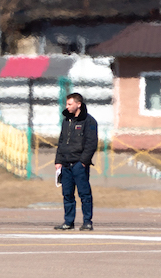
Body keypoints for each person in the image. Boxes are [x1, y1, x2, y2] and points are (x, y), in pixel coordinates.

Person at [54, 92, 98, 231]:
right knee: (67, 194)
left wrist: (83, 162)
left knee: (84, 194)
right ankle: (68, 221)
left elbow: (91, 143)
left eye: (70, 104)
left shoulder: (89, 121)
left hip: (79, 164)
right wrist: (58, 160)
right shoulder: (67, 121)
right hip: (66, 164)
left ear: (78, 104)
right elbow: (61, 141)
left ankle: (87, 221)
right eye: (66, 104)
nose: (67, 107)